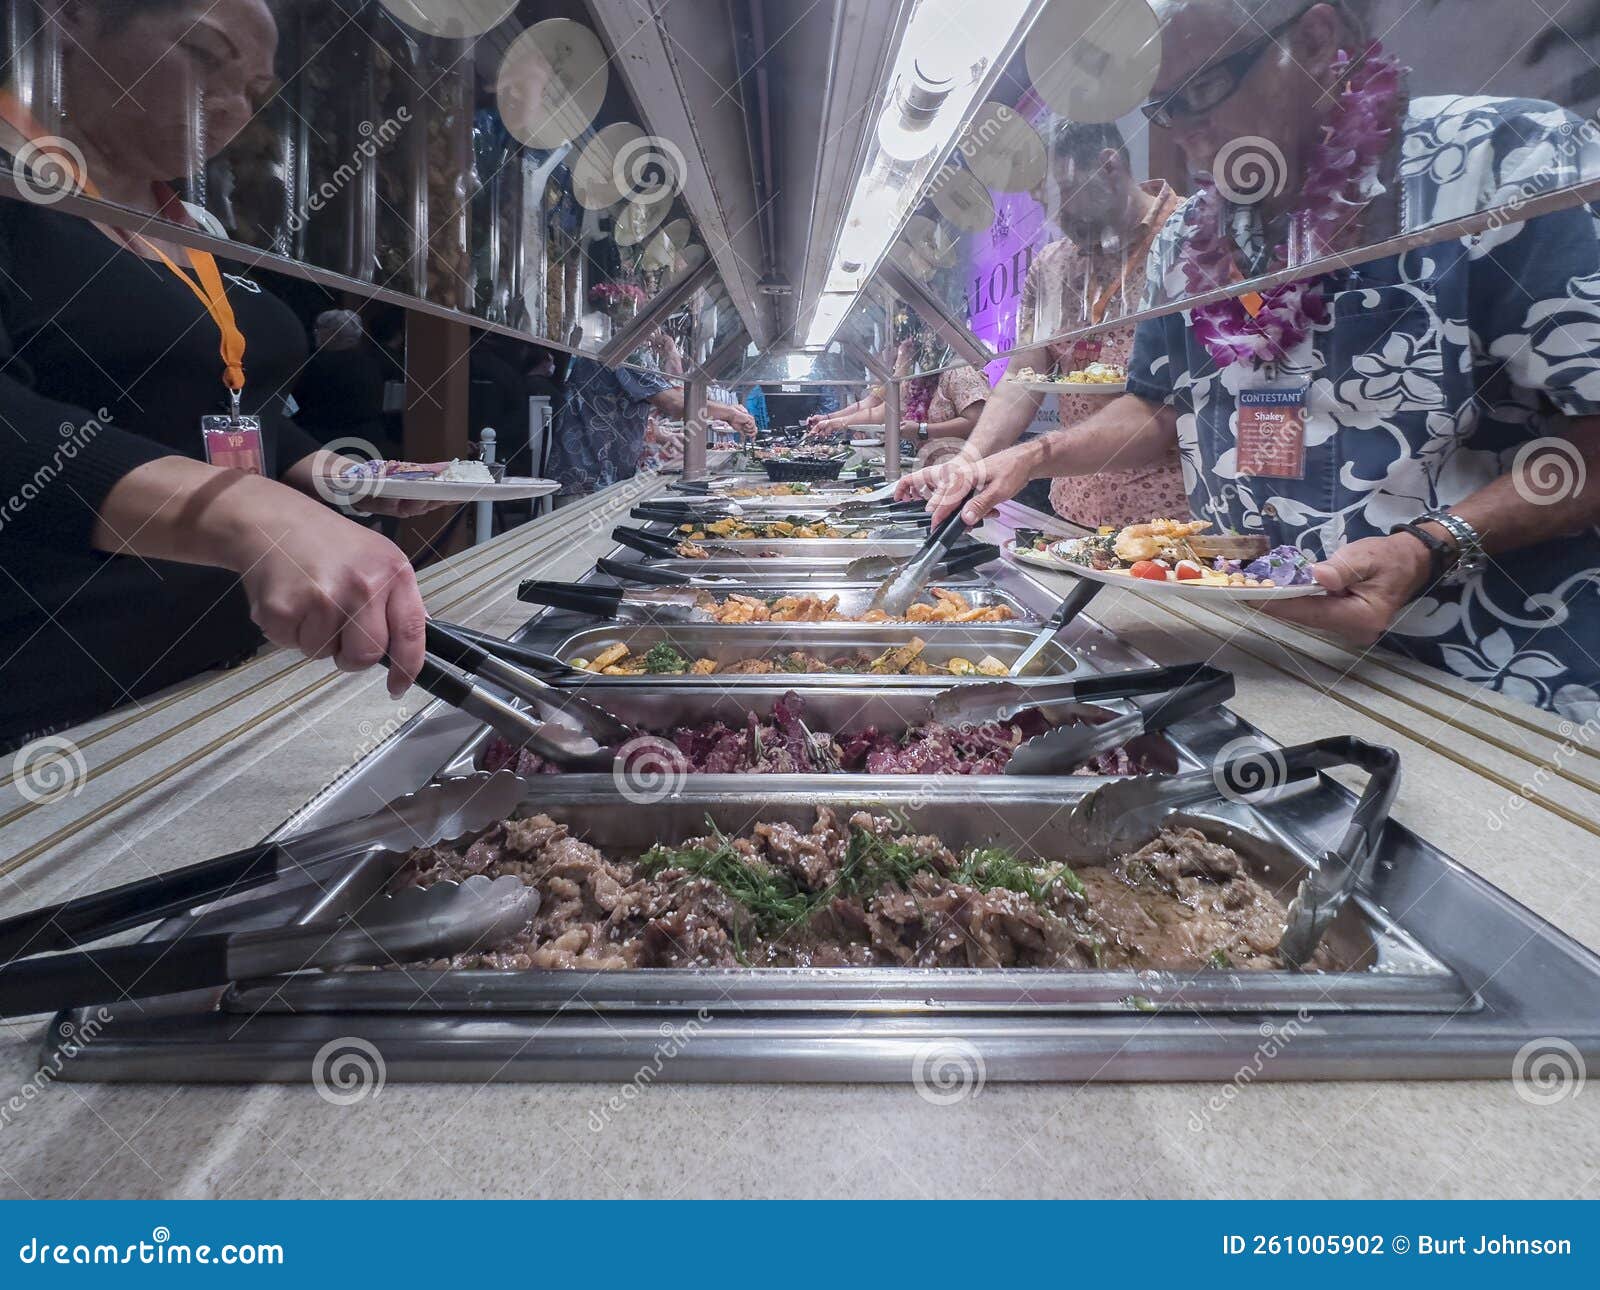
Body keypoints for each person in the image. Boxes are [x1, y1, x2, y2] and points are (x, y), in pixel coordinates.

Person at [899, 0, 1600, 718]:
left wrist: (1435, 544)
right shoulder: (1192, 237)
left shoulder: (1505, 159)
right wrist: (1033, 456)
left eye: (1199, 92)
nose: (1183, 133)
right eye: (1161, 108)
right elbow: (1159, 407)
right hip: (1255, 654)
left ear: (1318, 38)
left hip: (1487, 675)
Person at [0, 0, 439, 747]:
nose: (232, 108)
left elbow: (219, 401)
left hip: (211, 688)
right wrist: (250, 515)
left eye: (257, 93)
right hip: (58, 716)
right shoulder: (18, 190)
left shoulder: (190, 228)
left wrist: (324, 470)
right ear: (72, 17)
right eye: (206, 57)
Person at [980, 121, 1190, 523]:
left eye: (1062, 197)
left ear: (1108, 167)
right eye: (1045, 205)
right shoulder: (1052, 264)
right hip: (1070, 518)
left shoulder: (1192, 235)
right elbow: (1023, 374)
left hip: (1173, 531)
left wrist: (1033, 455)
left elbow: (1165, 408)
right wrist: (971, 457)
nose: (1057, 217)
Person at [547, 329, 754, 501]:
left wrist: (660, 433)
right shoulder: (627, 350)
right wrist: (728, 413)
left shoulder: (618, 346)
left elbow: (616, 406)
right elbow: (673, 403)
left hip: (598, 477)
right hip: (589, 480)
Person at [815, 337, 990, 464]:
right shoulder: (916, 380)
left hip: (965, 471)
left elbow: (978, 422)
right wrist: (834, 422)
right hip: (928, 470)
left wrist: (922, 430)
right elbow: (881, 411)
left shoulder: (961, 372)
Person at [293, 308, 393, 455]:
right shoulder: (371, 362)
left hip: (325, 443)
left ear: (333, 334)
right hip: (369, 441)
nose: (316, 333)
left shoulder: (318, 365)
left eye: (320, 328)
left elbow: (298, 400)